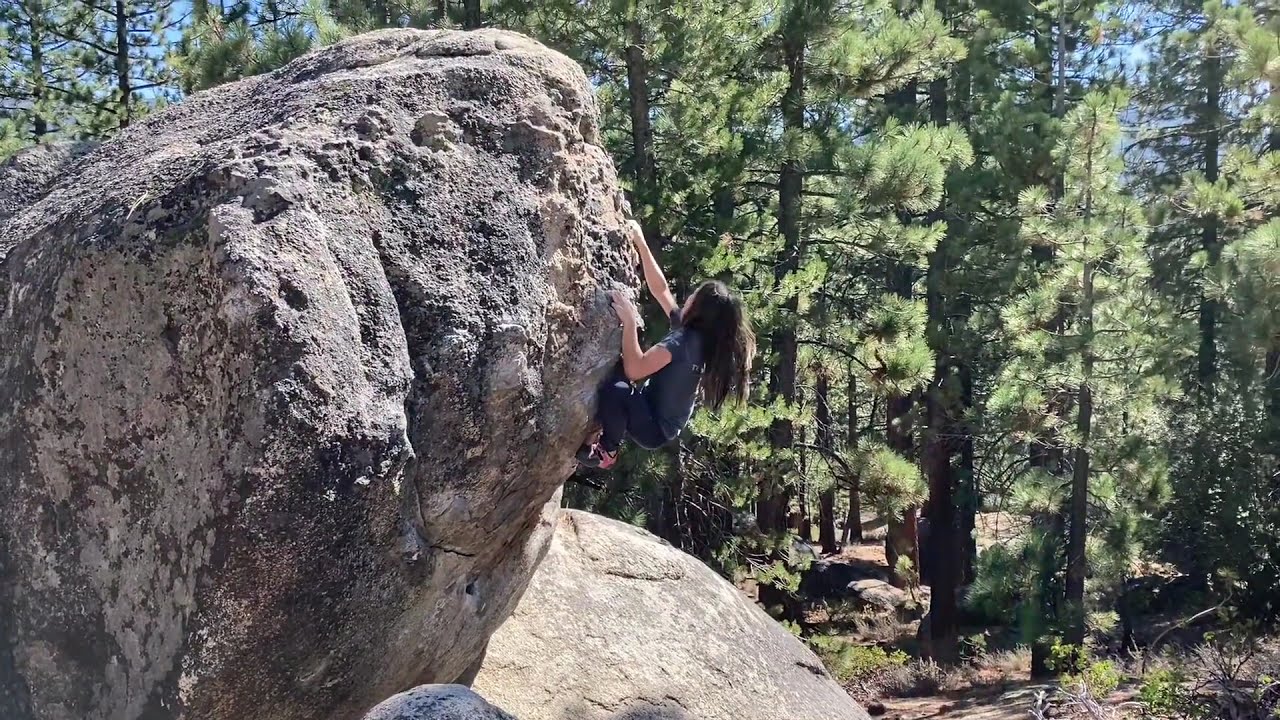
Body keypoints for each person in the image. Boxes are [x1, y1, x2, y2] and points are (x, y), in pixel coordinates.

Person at [576, 219, 756, 469]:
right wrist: (640, 242)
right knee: (617, 378)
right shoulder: (696, 333)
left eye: (695, 294)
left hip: (655, 428)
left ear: (699, 308)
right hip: (653, 410)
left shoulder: (683, 343)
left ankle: (608, 451)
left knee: (616, 388)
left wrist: (628, 322)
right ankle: (604, 428)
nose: (689, 295)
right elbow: (661, 291)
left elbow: (634, 369)